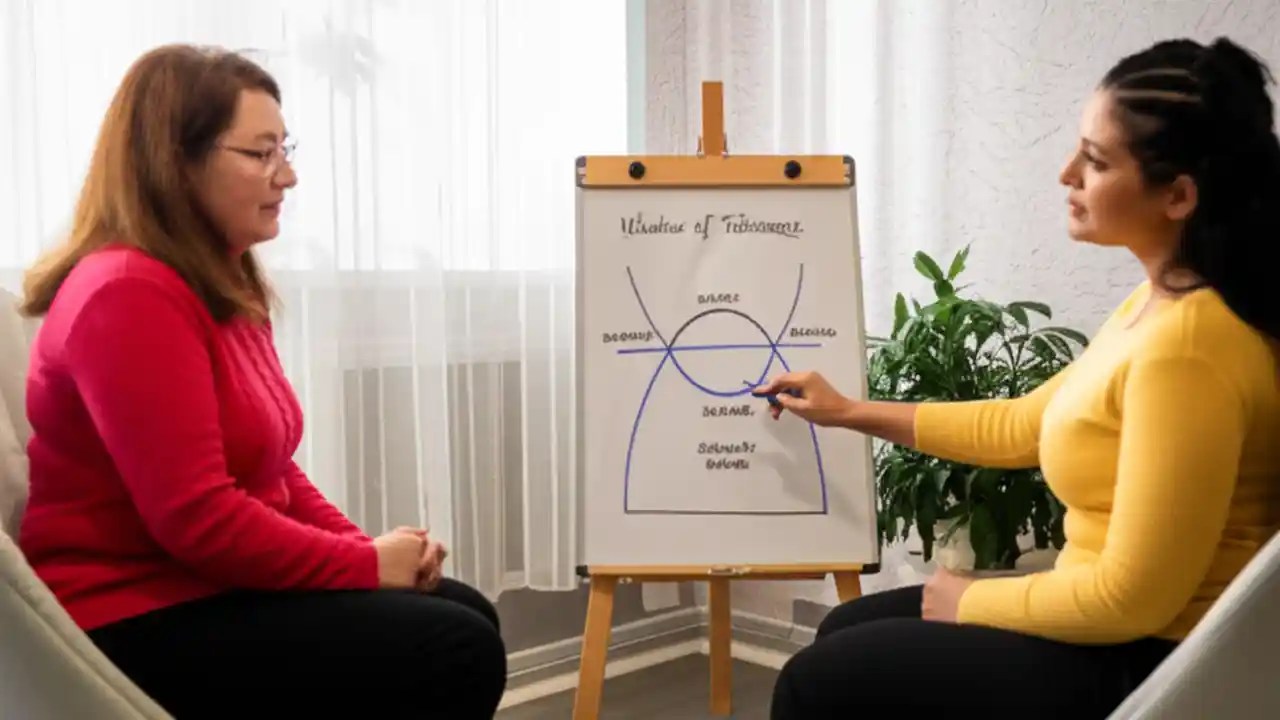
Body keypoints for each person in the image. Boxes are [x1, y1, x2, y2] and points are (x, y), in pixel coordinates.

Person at [760, 36, 1280, 718]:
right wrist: (848, 410)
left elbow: (1132, 599)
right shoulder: (1162, 302)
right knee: (842, 631)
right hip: (1114, 627)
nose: (1066, 173)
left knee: (816, 680)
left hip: (1151, 661)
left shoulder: (1190, 349)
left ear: (1178, 195)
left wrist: (970, 599)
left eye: (1094, 161)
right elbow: (1025, 424)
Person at [17, 44, 506, 718]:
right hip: (131, 615)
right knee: (454, 647)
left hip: (204, 586)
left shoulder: (221, 278)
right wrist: (366, 568)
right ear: (175, 163)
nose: (289, 176)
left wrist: (366, 551)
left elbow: (271, 472)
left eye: (286, 148)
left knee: (464, 611)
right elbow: (199, 519)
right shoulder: (126, 293)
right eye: (261, 153)